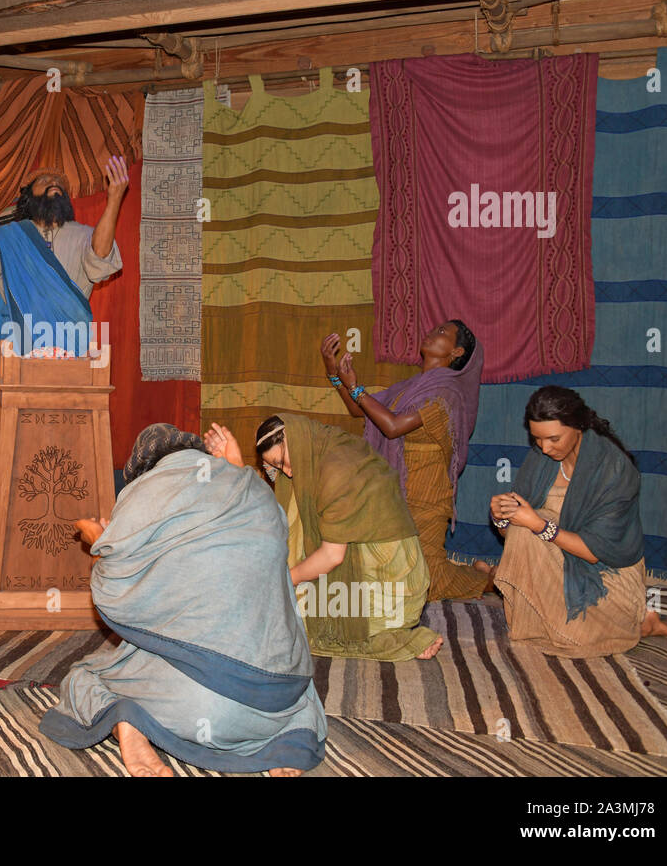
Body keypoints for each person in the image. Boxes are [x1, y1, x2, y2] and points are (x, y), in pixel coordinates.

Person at [39, 424, 328, 777]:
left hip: (198, 707)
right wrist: (235, 470)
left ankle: (127, 722)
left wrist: (99, 543)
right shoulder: (258, 492)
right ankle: (282, 743)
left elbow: (114, 596)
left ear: (142, 471)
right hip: (277, 700)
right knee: (282, 659)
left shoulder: (147, 491)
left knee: (85, 676)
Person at [206, 414, 442, 661]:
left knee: (277, 621)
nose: (287, 472)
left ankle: (403, 640)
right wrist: (235, 467)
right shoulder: (317, 450)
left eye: (283, 461)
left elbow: (332, 556)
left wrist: (283, 580)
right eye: (276, 467)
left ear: (294, 440)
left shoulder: (337, 468)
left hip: (392, 589)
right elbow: (273, 517)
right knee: (264, 601)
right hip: (356, 566)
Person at [489, 386, 667, 657]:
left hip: (605, 576)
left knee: (577, 638)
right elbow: (517, 540)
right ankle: (639, 621)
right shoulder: (541, 459)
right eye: (538, 439)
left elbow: (593, 552)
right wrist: (502, 519)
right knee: (527, 526)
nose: (545, 447)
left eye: (554, 438)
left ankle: (634, 620)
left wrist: (538, 524)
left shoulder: (613, 469)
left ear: (578, 426)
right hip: (559, 562)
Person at [322, 320, 493, 600]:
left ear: (457, 352)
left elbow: (392, 426)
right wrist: (334, 373)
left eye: (442, 333)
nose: (432, 331)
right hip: (394, 495)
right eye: (434, 328)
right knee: (384, 576)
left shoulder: (447, 393)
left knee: (424, 584)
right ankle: (472, 571)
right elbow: (359, 409)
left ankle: (486, 581)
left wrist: (356, 387)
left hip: (426, 500)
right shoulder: (411, 387)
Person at [0, 160, 128, 410]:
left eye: (59, 184)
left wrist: (114, 200)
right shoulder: (9, 238)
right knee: (23, 429)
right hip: (20, 350)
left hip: (74, 347)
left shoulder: (84, 235)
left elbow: (99, 259)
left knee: (70, 425)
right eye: (44, 181)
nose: (54, 184)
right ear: (28, 197)